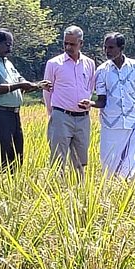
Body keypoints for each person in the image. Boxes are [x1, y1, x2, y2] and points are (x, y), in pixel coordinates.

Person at [0, 29, 45, 171]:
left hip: (13, 115)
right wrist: (20, 85)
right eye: (7, 44)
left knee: (16, 156)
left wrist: (37, 85)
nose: (10, 49)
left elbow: (20, 81)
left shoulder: (7, 63)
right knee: (0, 157)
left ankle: (12, 183)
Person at [93, 32, 135, 180]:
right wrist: (90, 104)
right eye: (105, 47)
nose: (107, 51)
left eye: (111, 47)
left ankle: (126, 189)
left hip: (131, 123)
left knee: (130, 162)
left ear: (121, 48)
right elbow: (101, 100)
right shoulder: (101, 71)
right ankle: (109, 190)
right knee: (108, 163)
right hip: (110, 124)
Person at [43, 26, 98, 180]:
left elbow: (90, 87)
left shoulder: (89, 64)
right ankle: (56, 189)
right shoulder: (54, 64)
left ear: (81, 43)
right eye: (65, 43)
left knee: (81, 160)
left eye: (72, 44)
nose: (68, 47)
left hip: (83, 118)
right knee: (58, 159)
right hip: (61, 116)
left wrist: (88, 102)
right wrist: (52, 113)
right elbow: (47, 91)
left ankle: (79, 189)